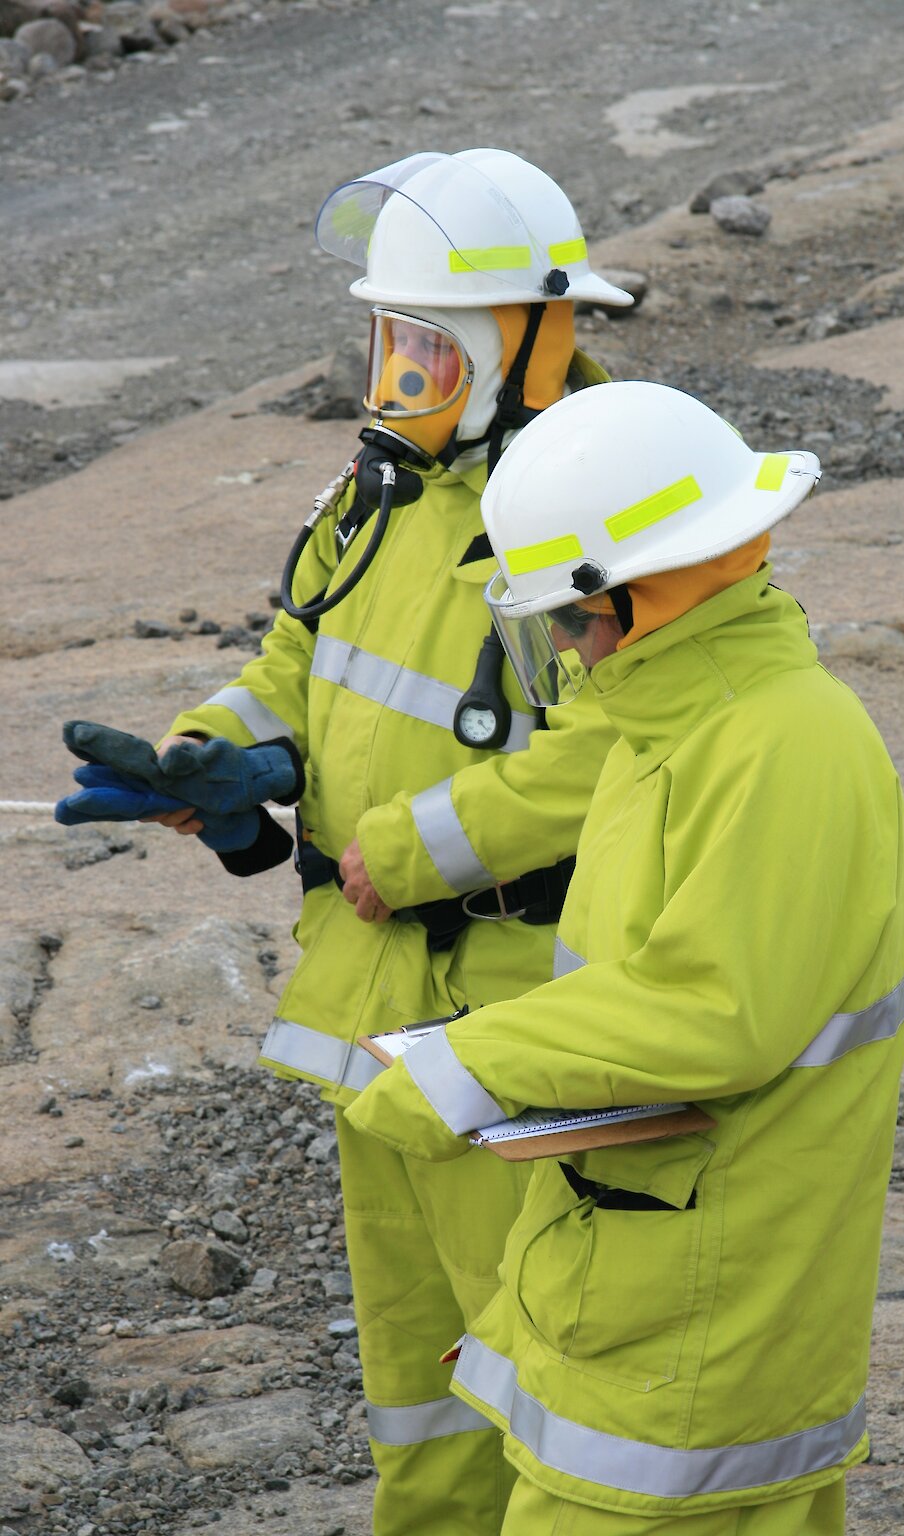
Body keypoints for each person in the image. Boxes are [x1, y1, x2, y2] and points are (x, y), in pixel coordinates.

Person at [54, 150, 633, 1536]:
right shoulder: (375, 499)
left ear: (529, 344)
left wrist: (405, 850)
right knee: (419, 1380)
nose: (399, 381)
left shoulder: (600, 504)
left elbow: (622, 740)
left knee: (536, 1361)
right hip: (377, 1015)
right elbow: (299, 659)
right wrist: (221, 754)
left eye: (431, 353)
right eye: (392, 347)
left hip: (518, 1018)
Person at [344, 381, 904, 1535]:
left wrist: (467, 1063)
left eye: (570, 619)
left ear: (639, 596)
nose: (563, 648)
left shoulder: (777, 743)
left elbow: (711, 1011)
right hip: (652, 1266)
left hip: (705, 1315)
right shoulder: (676, 724)